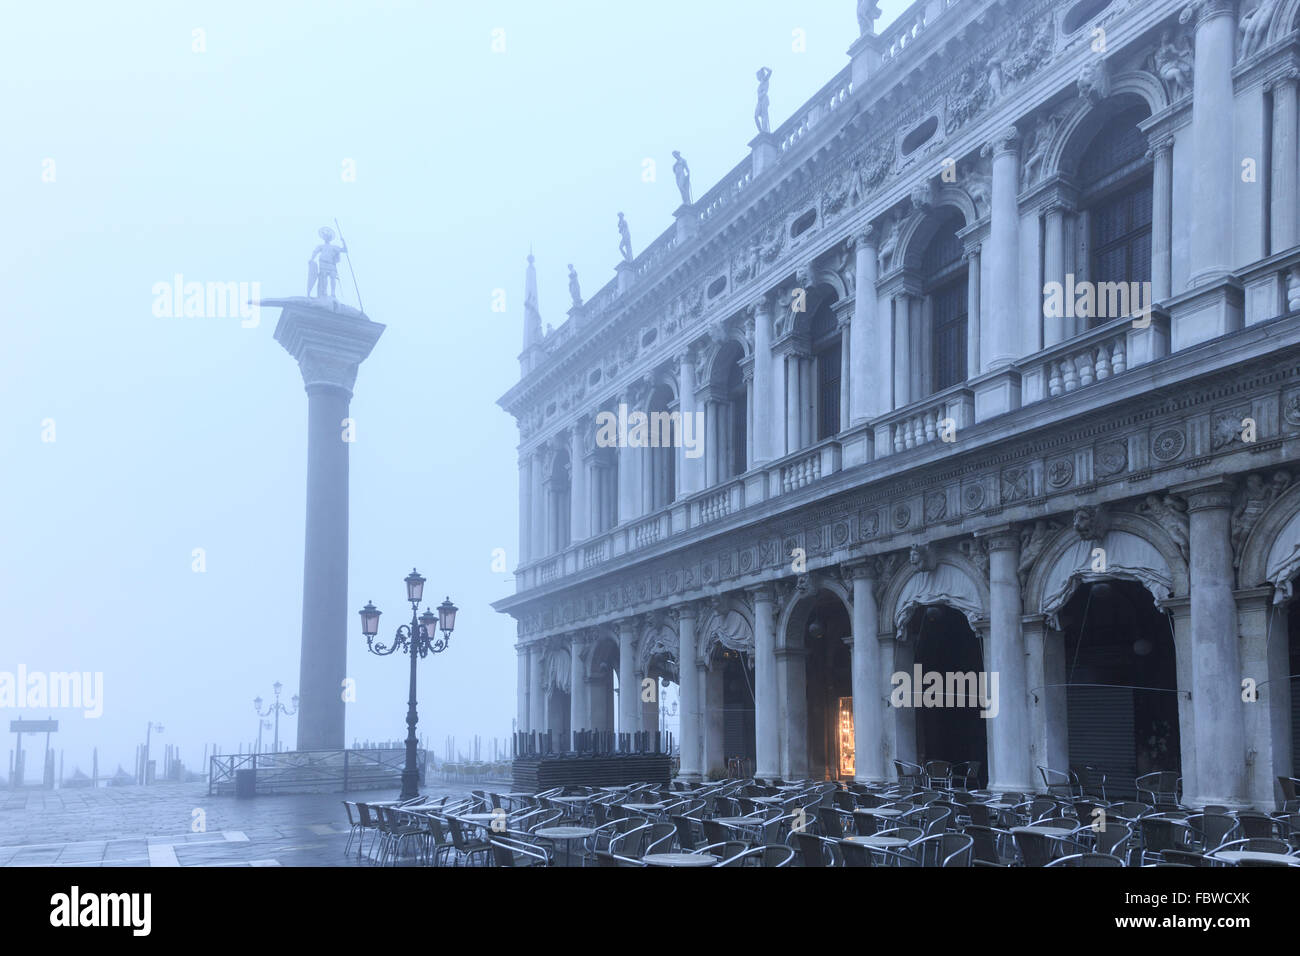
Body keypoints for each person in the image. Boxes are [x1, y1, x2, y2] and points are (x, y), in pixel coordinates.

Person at [308, 226, 347, 299]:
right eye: (325, 237)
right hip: (323, 263)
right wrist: (311, 259)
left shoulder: (334, 247)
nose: (327, 238)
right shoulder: (321, 246)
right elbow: (315, 252)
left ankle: (333, 293)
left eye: (328, 237)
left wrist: (343, 242)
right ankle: (324, 293)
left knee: (332, 278)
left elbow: (344, 250)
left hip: (331, 264)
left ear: (330, 239)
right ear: (324, 238)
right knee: (324, 278)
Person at [754, 67, 772, 134]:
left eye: (758, 75)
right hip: (759, 101)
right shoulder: (759, 84)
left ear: (761, 74)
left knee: (764, 116)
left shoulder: (765, 79)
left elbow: (770, 71)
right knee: (755, 116)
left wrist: (764, 68)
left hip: (764, 99)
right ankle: (761, 131)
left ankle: (764, 131)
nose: (757, 77)